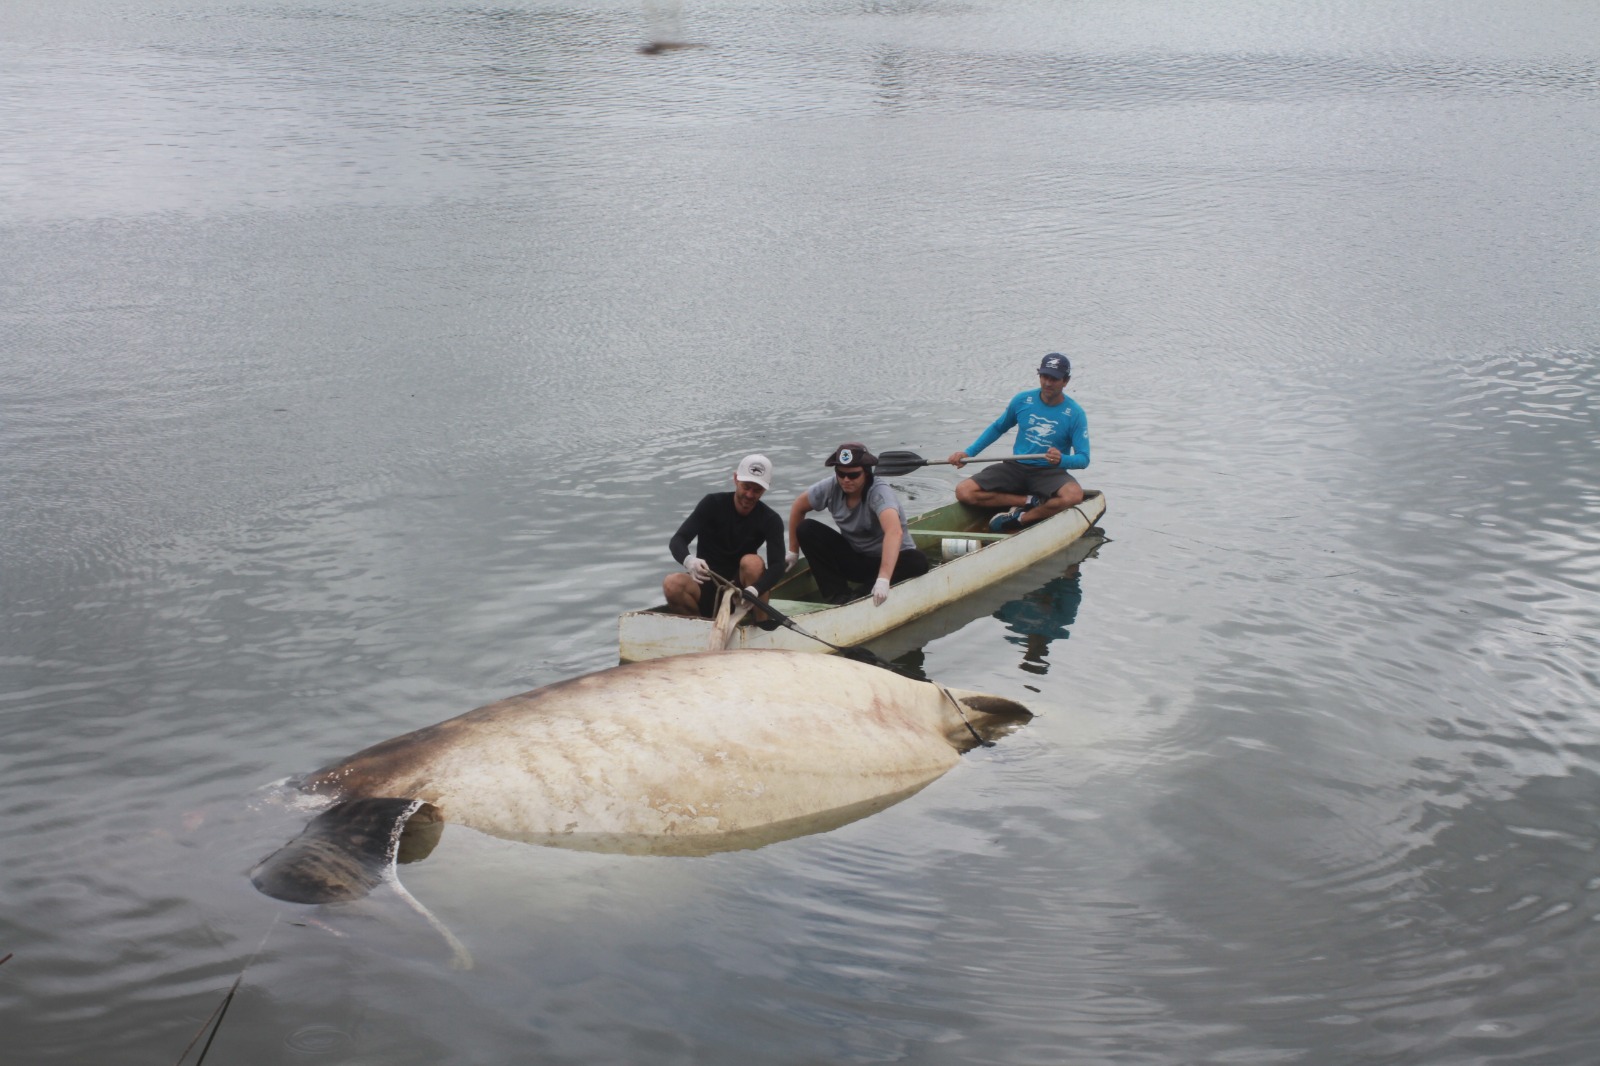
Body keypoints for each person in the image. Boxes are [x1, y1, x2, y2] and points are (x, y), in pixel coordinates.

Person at [947, 352, 1089, 533]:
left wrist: (1062, 459)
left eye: (1054, 378)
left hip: (1049, 472)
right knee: (964, 491)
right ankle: (1030, 501)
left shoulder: (1075, 413)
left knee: (1074, 495)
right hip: (1016, 467)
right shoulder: (1022, 400)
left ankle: (1021, 518)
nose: (1047, 383)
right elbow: (998, 428)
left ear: (1065, 381)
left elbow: (1084, 459)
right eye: (1044, 376)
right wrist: (968, 453)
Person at [788, 443, 929, 607]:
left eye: (853, 475)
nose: (846, 480)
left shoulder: (880, 493)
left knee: (918, 561)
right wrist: (793, 551)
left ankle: (863, 592)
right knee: (806, 529)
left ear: (867, 473)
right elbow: (798, 507)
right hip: (858, 561)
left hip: (893, 564)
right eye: (841, 474)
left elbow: (894, 532)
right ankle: (838, 595)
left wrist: (883, 578)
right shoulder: (831, 486)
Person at [664, 454, 787, 617]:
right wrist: (689, 560)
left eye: (757, 490)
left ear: (765, 488)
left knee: (753, 563)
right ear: (736, 479)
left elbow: (777, 565)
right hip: (707, 582)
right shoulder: (712, 504)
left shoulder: (770, 519)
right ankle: (700, 626)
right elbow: (678, 540)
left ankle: (762, 625)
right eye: (746, 487)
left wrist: (755, 589)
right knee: (671, 584)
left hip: (743, 593)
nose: (750, 495)